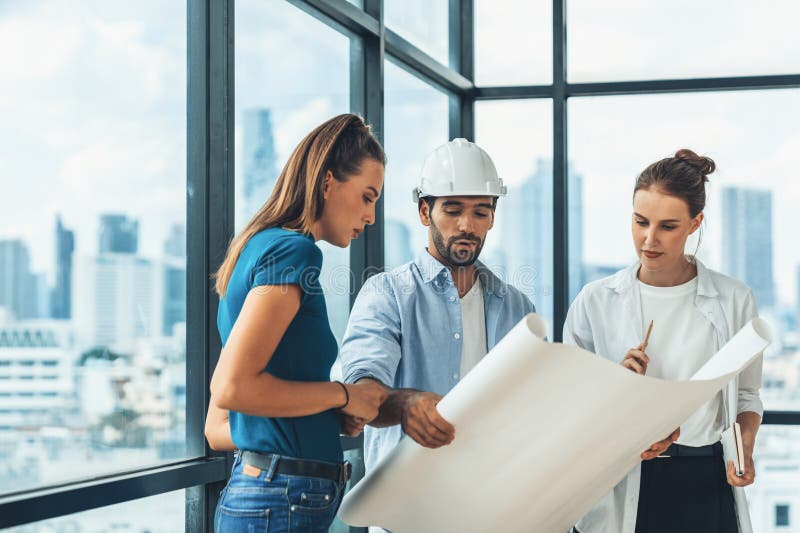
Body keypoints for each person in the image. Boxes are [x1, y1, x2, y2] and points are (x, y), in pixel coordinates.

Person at [207, 113, 389, 533]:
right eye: (367, 196)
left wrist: (319, 413)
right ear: (328, 183)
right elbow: (232, 388)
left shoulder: (257, 248)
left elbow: (218, 428)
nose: (371, 216)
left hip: (269, 499)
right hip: (279, 502)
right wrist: (342, 395)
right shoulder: (294, 252)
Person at [564, 149, 763, 533]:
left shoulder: (734, 299)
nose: (648, 239)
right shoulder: (596, 300)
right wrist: (615, 388)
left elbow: (747, 397)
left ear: (695, 223)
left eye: (668, 226)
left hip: (704, 486)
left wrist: (745, 448)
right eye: (640, 222)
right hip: (621, 481)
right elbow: (571, 407)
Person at [339, 138, 535, 480]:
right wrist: (405, 406)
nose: (466, 226)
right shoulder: (387, 295)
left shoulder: (517, 307)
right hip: (406, 507)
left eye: (480, 212)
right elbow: (361, 385)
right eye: (453, 209)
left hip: (492, 496)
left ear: (492, 218)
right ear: (425, 212)